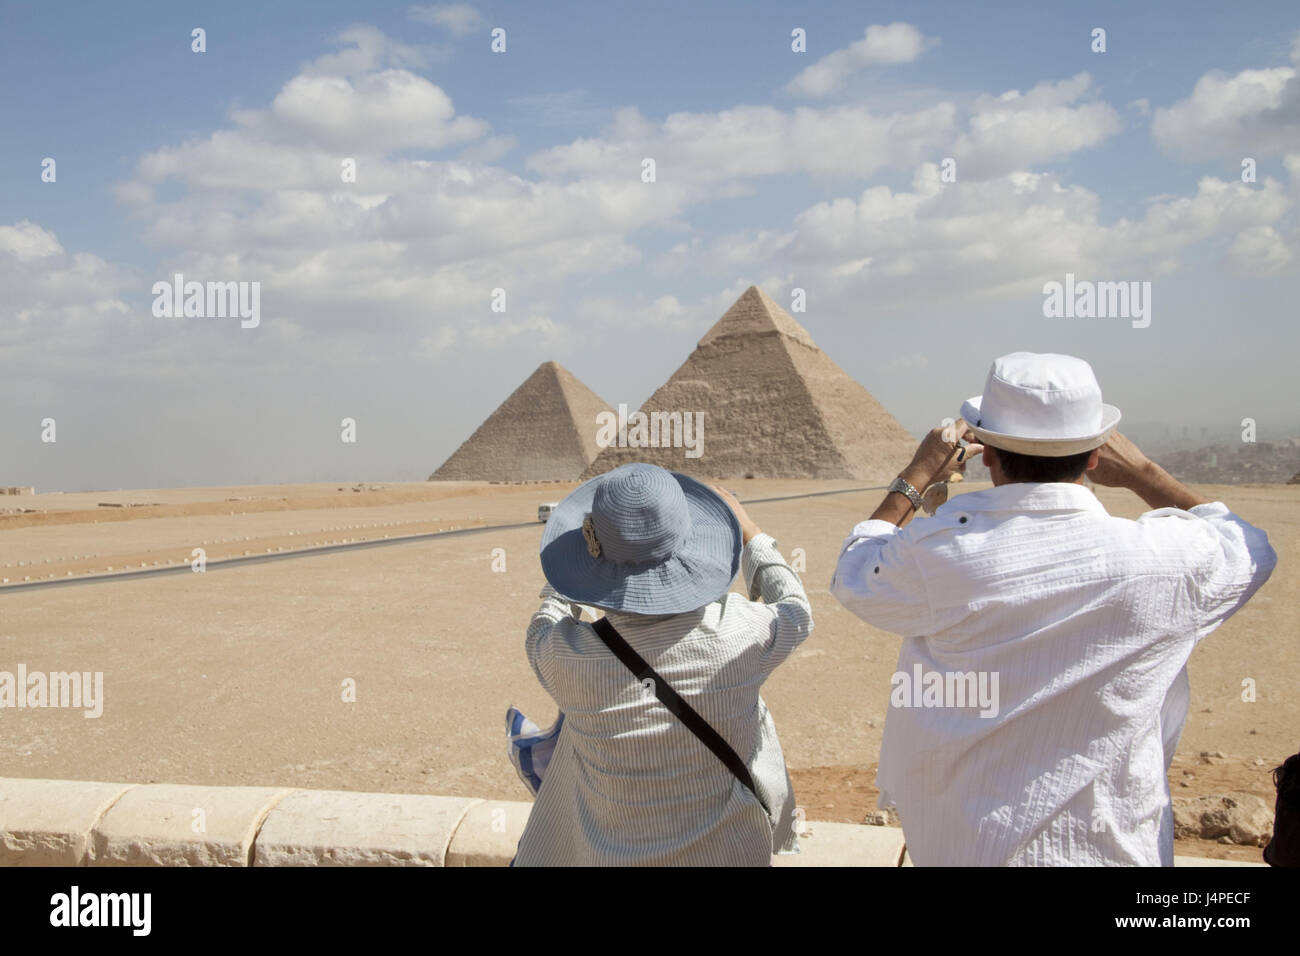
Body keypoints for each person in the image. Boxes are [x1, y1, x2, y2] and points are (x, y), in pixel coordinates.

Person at [830, 352, 1277, 866]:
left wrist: (917, 474)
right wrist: (1142, 473)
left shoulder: (938, 554)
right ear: (1095, 457)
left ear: (987, 454)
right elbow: (1248, 544)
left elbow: (855, 569)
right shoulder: (1163, 558)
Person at [513, 462, 812, 866]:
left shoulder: (565, 657)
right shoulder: (742, 633)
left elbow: (541, 627)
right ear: (691, 546)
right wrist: (751, 533)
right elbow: (796, 610)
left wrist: (569, 581)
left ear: (593, 556)